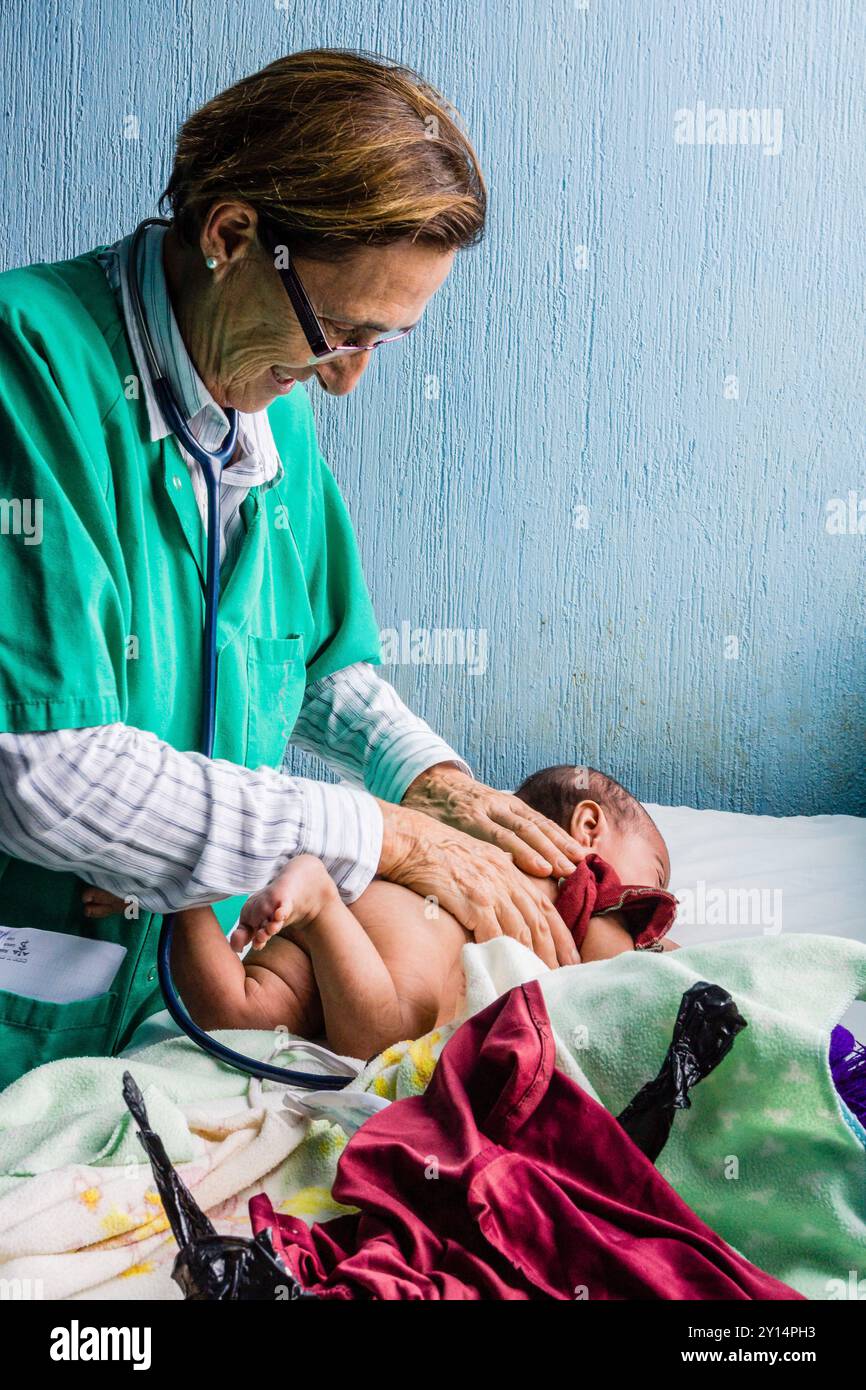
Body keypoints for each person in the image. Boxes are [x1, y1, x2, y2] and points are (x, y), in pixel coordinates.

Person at [0, 51, 582, 1086]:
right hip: (34, 991)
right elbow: (38, 774)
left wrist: (430, 782)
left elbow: (307, 660)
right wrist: (374, 833)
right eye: (343, 330)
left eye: (381, 341)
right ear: (230, 236)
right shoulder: (28, 366)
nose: (347, 379)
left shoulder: (271, 403)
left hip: (180, 992)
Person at [84, 767, 678, 1058]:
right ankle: (313, 902)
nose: (658, 902)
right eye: (655, 875)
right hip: (406, 933)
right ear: (589, 826)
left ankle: (180, 896)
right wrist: (674, 955)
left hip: (365, 911)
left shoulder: (458, 841)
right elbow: (626, 979)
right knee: (384, 1039)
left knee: (241, 1013)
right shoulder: (582, 880)